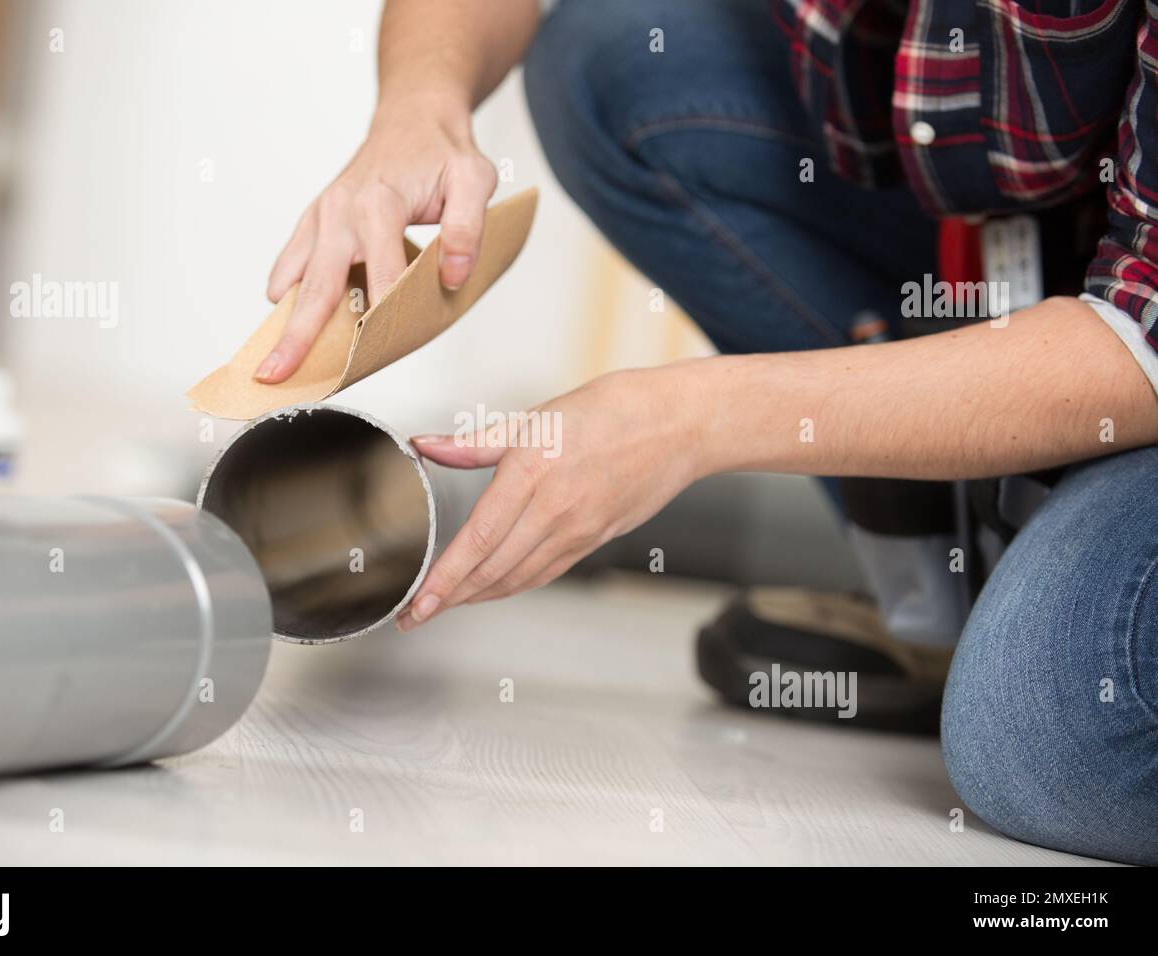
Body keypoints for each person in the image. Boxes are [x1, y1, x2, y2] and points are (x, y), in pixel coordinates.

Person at [259, 0, 1158, 865]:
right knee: (616, 57)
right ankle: (963, 590)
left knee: (1049, 730)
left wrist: (692, 419)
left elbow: (1142, 336)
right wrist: (418, 110)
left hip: (1135, 336)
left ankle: (1025, 609)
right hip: (1057, 236)